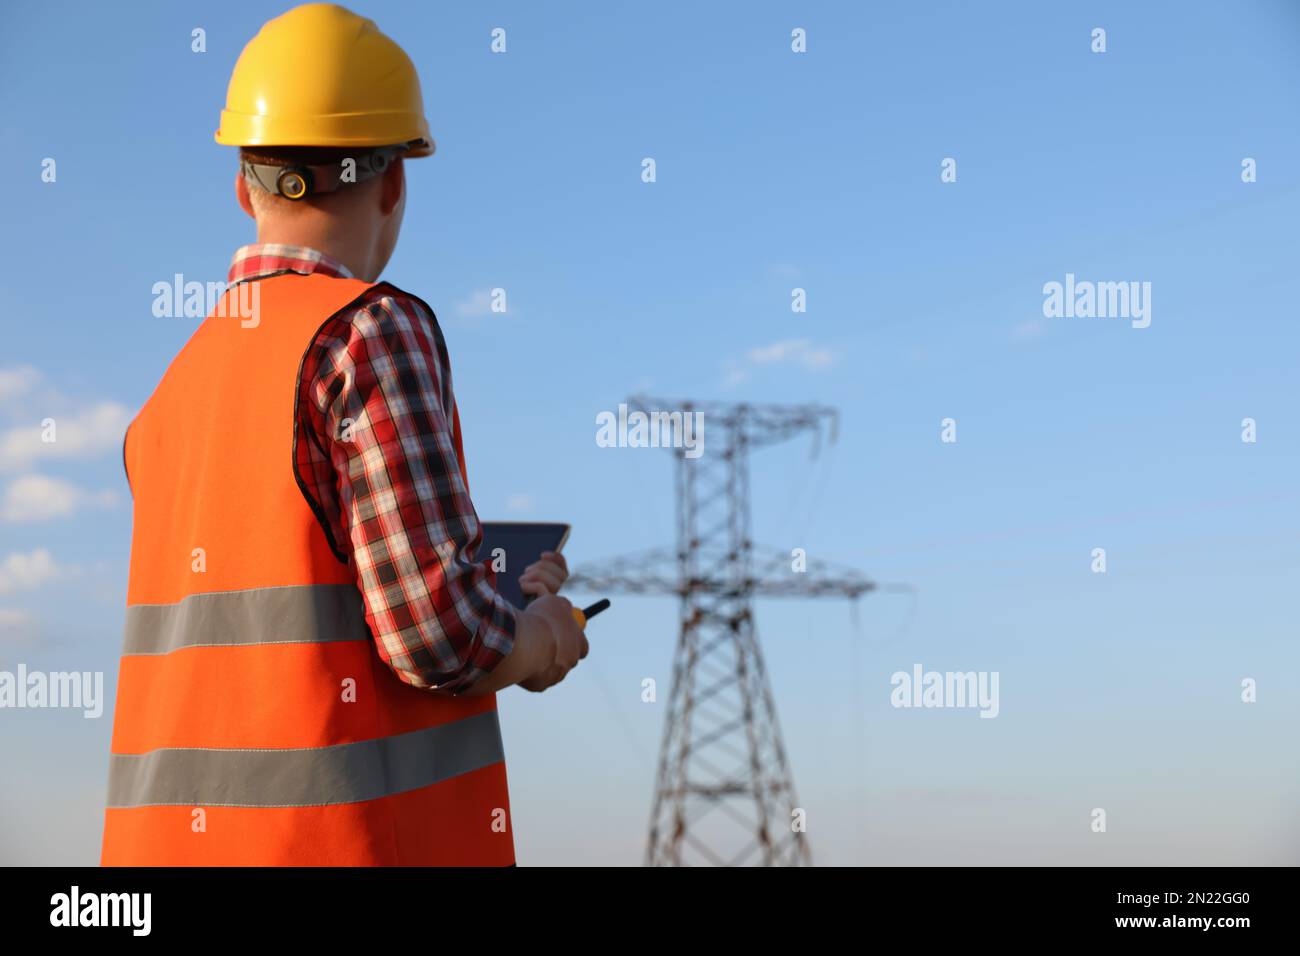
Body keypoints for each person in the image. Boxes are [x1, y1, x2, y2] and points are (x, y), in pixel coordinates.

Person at [101, 2, 587, 866]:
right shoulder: (369, 328)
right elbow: (437, 634)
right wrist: (542, 632)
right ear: (394, 182)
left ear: (242, 183)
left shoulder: (171, 392)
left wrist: (489, 589)